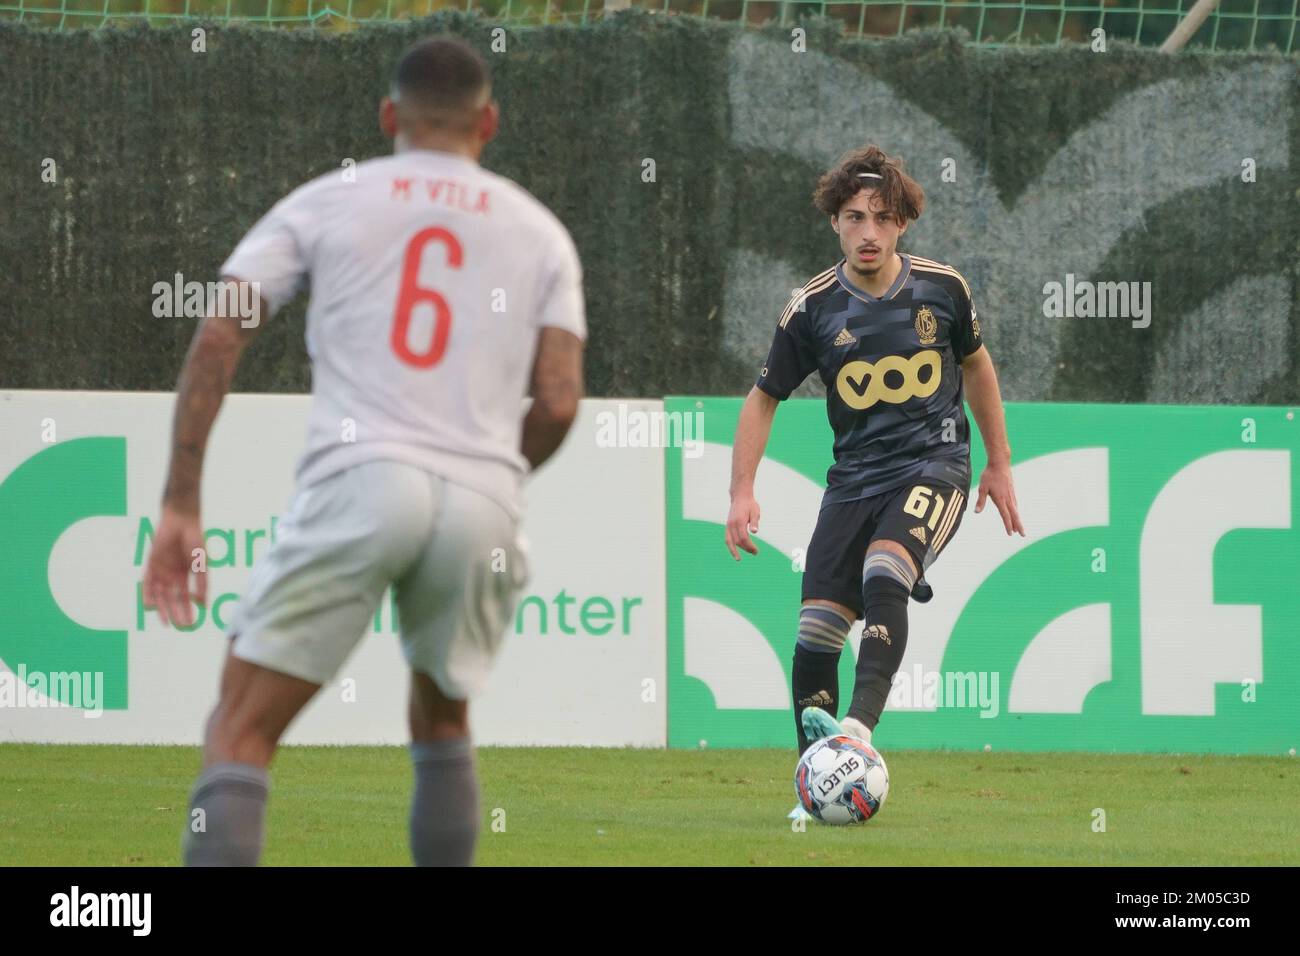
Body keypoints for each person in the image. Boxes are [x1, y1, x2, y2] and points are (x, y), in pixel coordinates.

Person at [142, 36, 586, 865]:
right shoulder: (540, 231)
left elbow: (219, 330)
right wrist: (494, 472)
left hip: (364, 475)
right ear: (488, 122)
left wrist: (181, 499)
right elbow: (560, 400)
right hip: (482, 502)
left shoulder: (327, 200)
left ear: (388, 116)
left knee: (240, 727)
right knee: (445, 718)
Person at [722, 145, 1024, 816]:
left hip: (935, 464)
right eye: (854, 217)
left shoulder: (941, 290)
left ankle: (858, 731)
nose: (867, 232)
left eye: (882, 218)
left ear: (902, 225)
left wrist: (998, 463)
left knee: (887, 570)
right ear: (835, 222)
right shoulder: (811, 310)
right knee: (815, 636)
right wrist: (742, 491)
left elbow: (977, 367)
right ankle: (815, 781)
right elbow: (762, 397)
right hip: (853, 482)